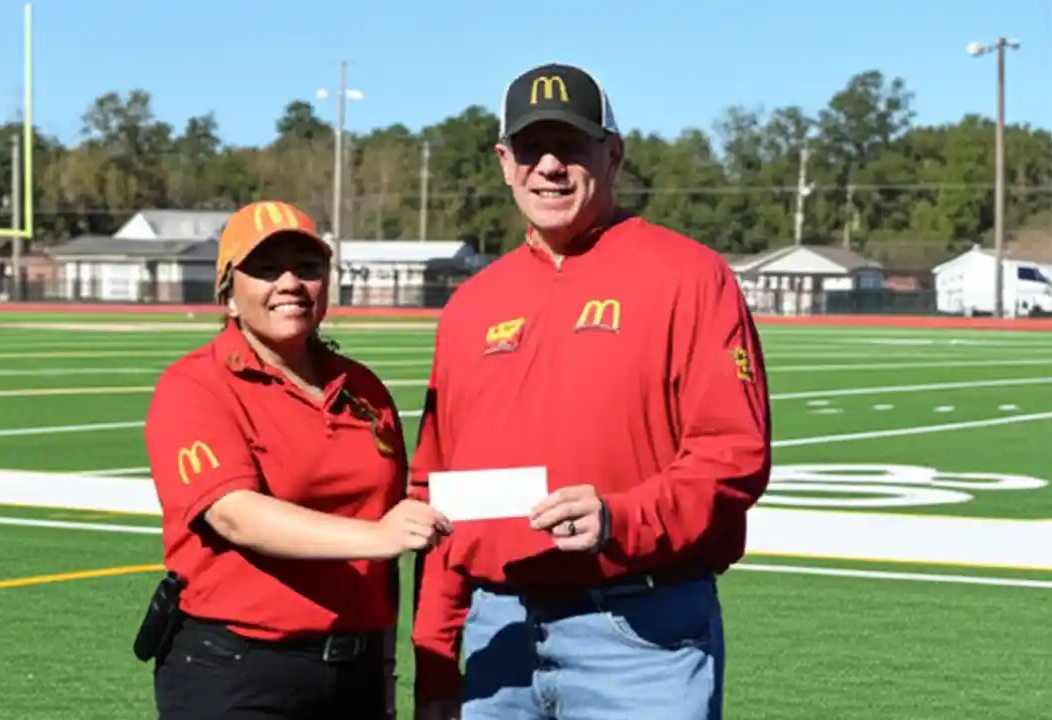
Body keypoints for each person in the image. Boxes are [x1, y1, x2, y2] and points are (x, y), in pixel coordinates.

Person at [408, 63, 773, 720]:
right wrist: (435, 652)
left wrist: (620, 519)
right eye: (530, 148)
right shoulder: (470, 305)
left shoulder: (689, 277)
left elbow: (733, 455)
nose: (548, 166)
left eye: (570, 146)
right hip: (498, 637)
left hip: (638, 633)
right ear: (502, 161)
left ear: (613, 154)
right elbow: (435, 490)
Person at [137, 199, 452, 719]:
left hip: (358, 672)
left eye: (307, 268)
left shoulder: (364, 388)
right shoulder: (194, 386)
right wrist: (376, 538)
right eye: (265, 268)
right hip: (239, 670)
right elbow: (233, 512)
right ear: (229, 294)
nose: (289, 283)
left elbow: (400, 525)